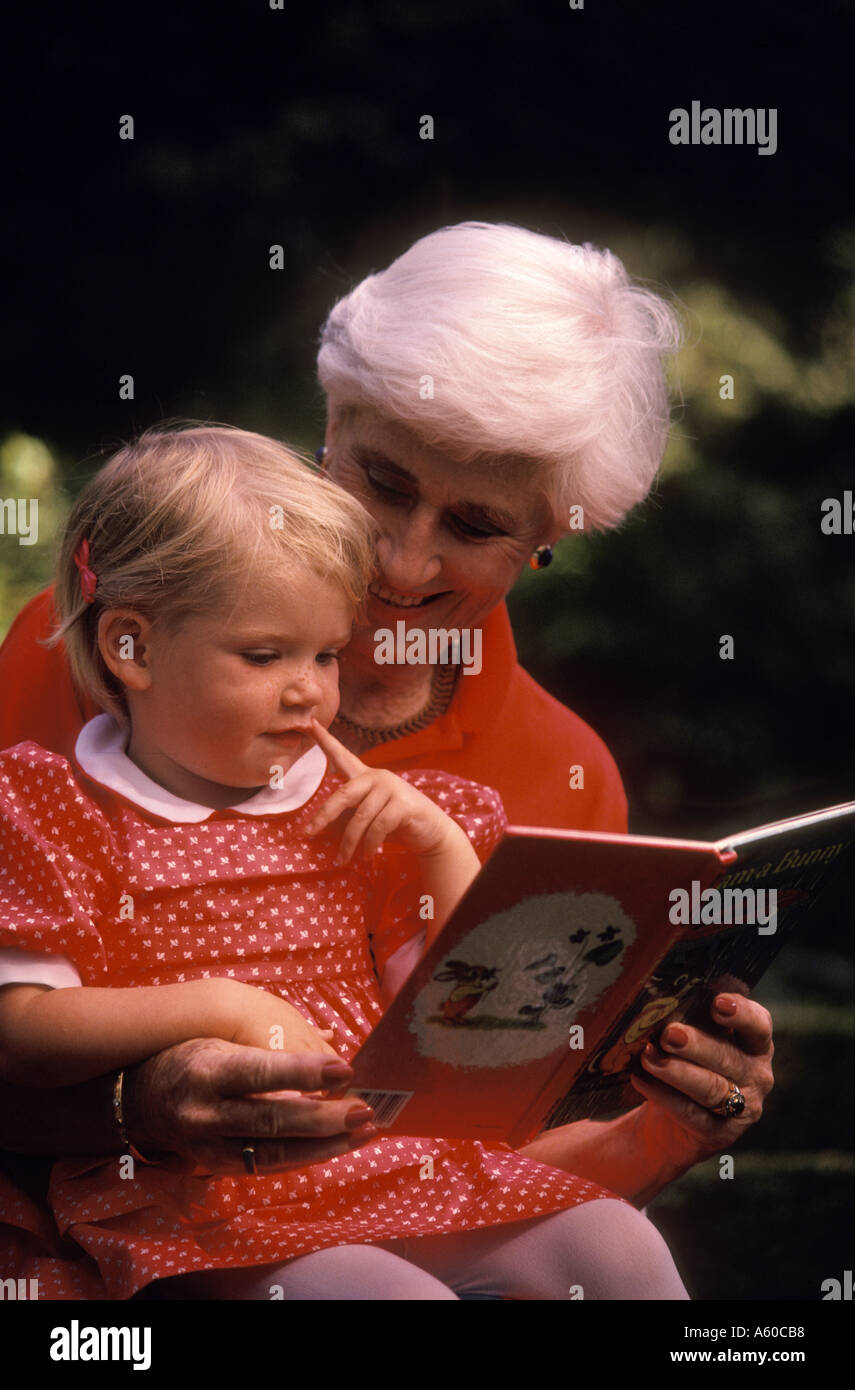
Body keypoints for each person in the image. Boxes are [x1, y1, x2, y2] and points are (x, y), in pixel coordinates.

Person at [0, 223, 773, 1293]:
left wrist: (674, 1119)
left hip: (391, 1211)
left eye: (476, 521)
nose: (400, 559)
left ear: (552, 534)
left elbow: (506, 1138)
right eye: (381, 478)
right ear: (329, 421)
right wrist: (130, 1104)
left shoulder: (557, 771)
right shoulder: (81, 648)